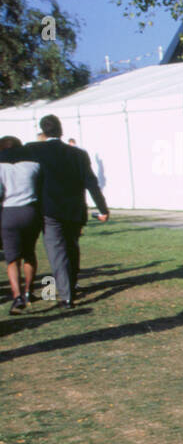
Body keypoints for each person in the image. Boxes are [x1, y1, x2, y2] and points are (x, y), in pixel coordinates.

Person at [20, 115, 108, 308]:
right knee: (72, 247)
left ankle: (66, 295)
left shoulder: (33, 149)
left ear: (43, 132)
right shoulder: (79, 154)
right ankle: (71, 283)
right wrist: (102, 208)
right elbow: (91, 183)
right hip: (75, 209)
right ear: (61, 131)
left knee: (56, 252)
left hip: (49, 209)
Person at [0, 137, 42, 313]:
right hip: (30, 211)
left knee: (12, 259)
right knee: (29, 253)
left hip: (9, 213)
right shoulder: (33, 166)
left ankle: (17, 296)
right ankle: (28, 291)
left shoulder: (1, 168)